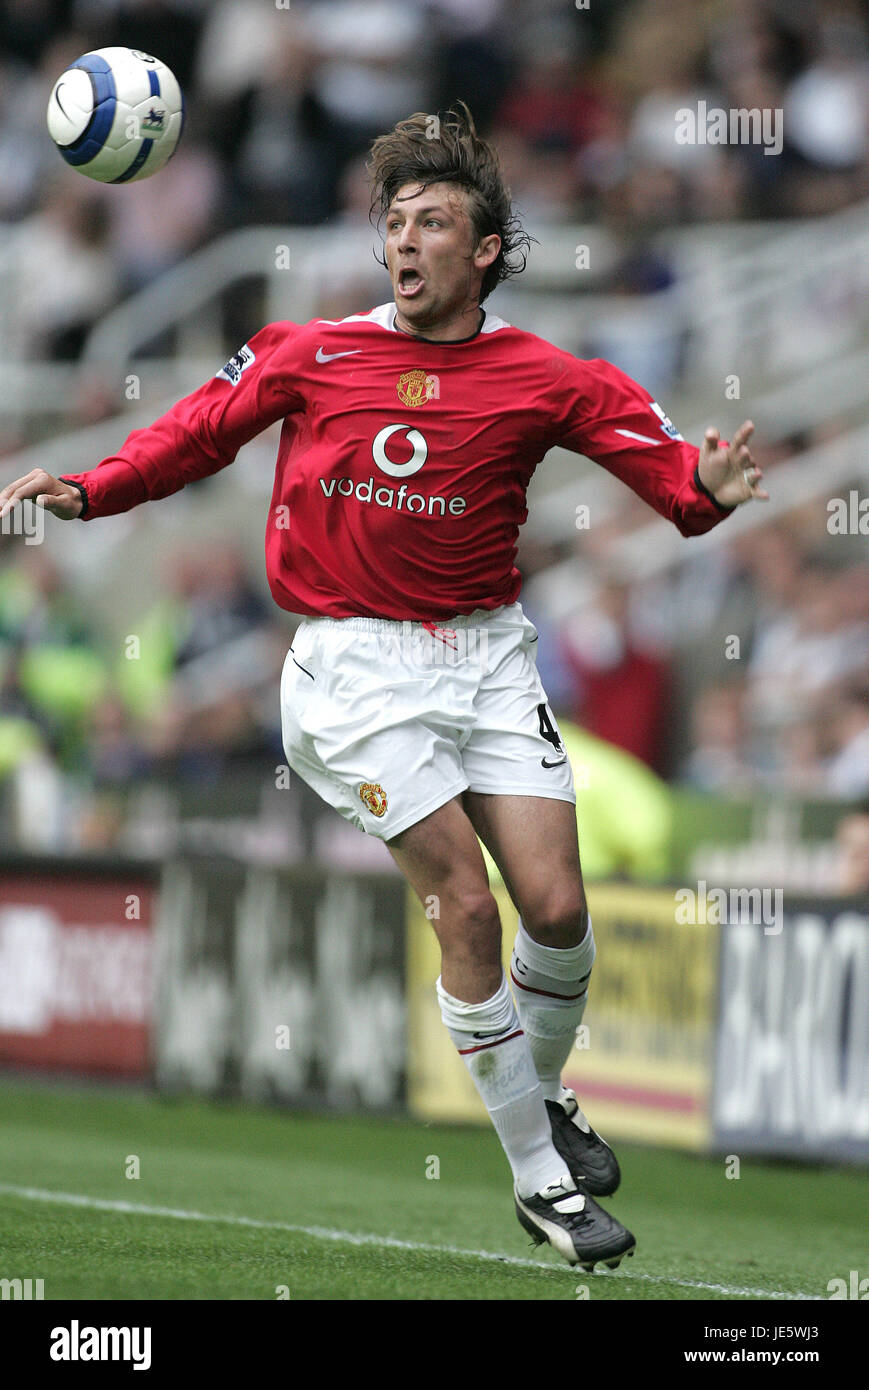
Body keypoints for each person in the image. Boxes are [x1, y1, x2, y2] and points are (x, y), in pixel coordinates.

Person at [0, 104, 767, 1271]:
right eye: (395, 223)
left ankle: (537, 1095)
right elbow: (197, 433)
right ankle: (539, 1180)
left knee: (556, 912)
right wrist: (93, 488)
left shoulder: (548, 377)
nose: (406, 243)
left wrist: (706, 482)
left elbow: (672, 487)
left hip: (488, 654)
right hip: (352, 669)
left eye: (433, 223)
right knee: (465, 905)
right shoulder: (310, 352)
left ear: (488, 251)